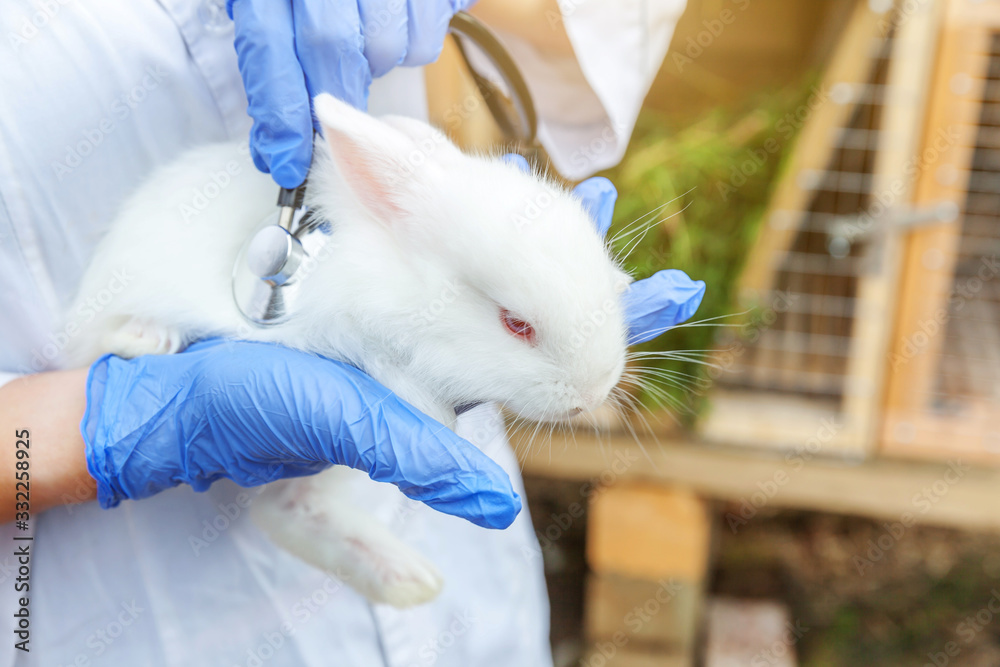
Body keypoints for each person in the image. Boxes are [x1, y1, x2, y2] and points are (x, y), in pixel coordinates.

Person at [0, 0, 696, 664]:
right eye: (516, 322)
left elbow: (604, 27)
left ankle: (313, 506)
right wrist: (93, 428)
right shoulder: (374, 274)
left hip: (470, 607)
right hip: (107, 601)